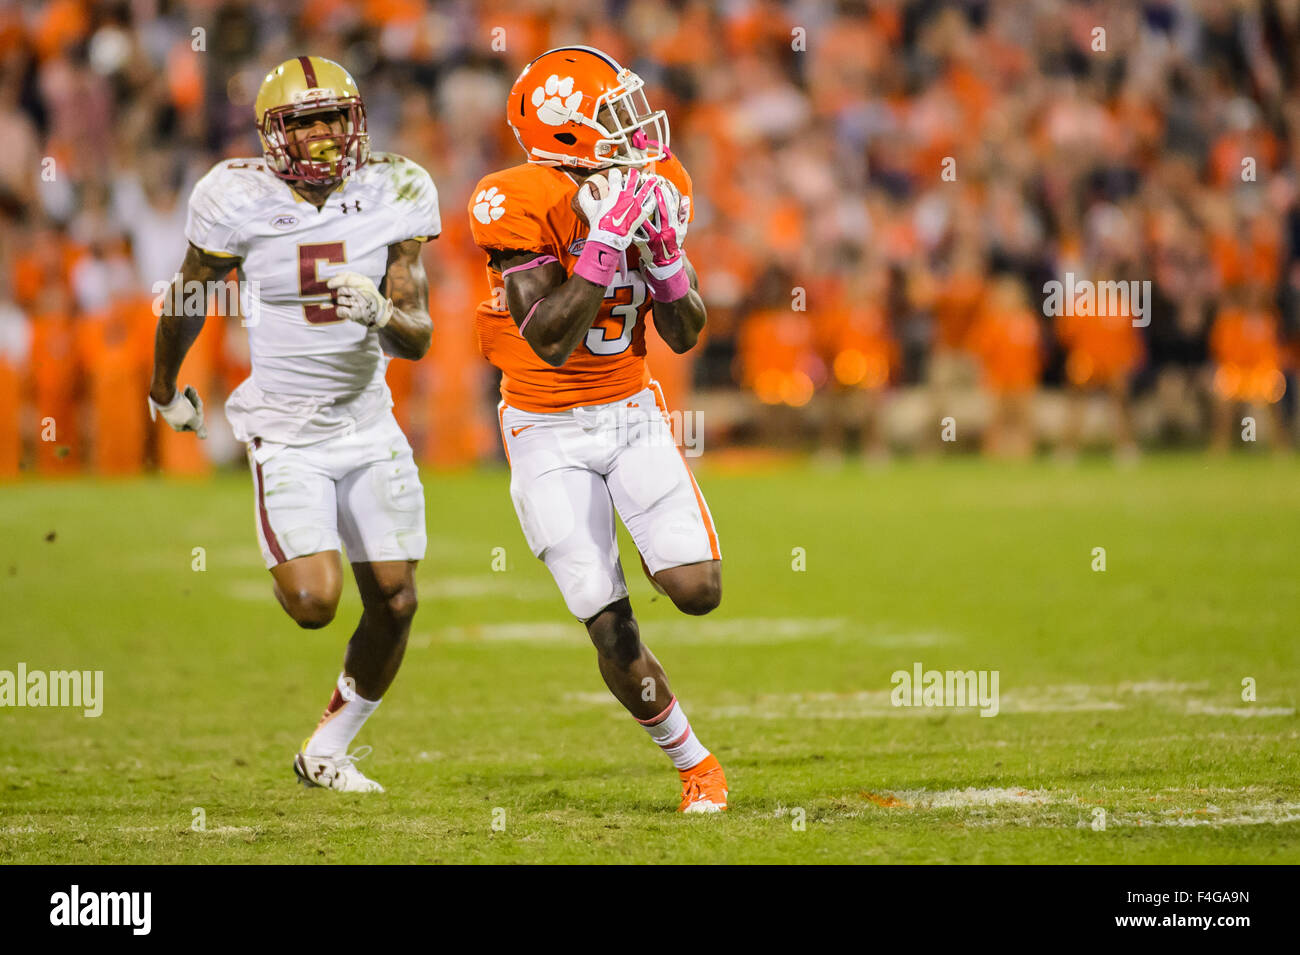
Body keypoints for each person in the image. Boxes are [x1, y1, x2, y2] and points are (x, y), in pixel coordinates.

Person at [147, 56, 439, 793]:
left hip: (368, 421)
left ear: (357, 120)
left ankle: (327, 750)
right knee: (314, 602)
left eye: (333, 117)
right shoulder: (233, 194)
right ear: (272, 132)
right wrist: (162, 388)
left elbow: (418, 335)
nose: (321, 134)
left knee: (397, 599)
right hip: (284, 427)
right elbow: (187, 297)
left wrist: (380, 310)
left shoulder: (396, 185)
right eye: (304, 121)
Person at [468, 46, 728, 813]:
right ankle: (694, 763)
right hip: (546, 427)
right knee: (608, 621)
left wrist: (666, 260)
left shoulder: (662, 184)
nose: (631, 123)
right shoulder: (512, 199)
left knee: (697, 587)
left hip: (629, 411)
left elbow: (684, 334)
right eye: (610, 114)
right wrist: (604, 245)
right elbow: (547, 336)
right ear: (565, 134)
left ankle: (649, 547)